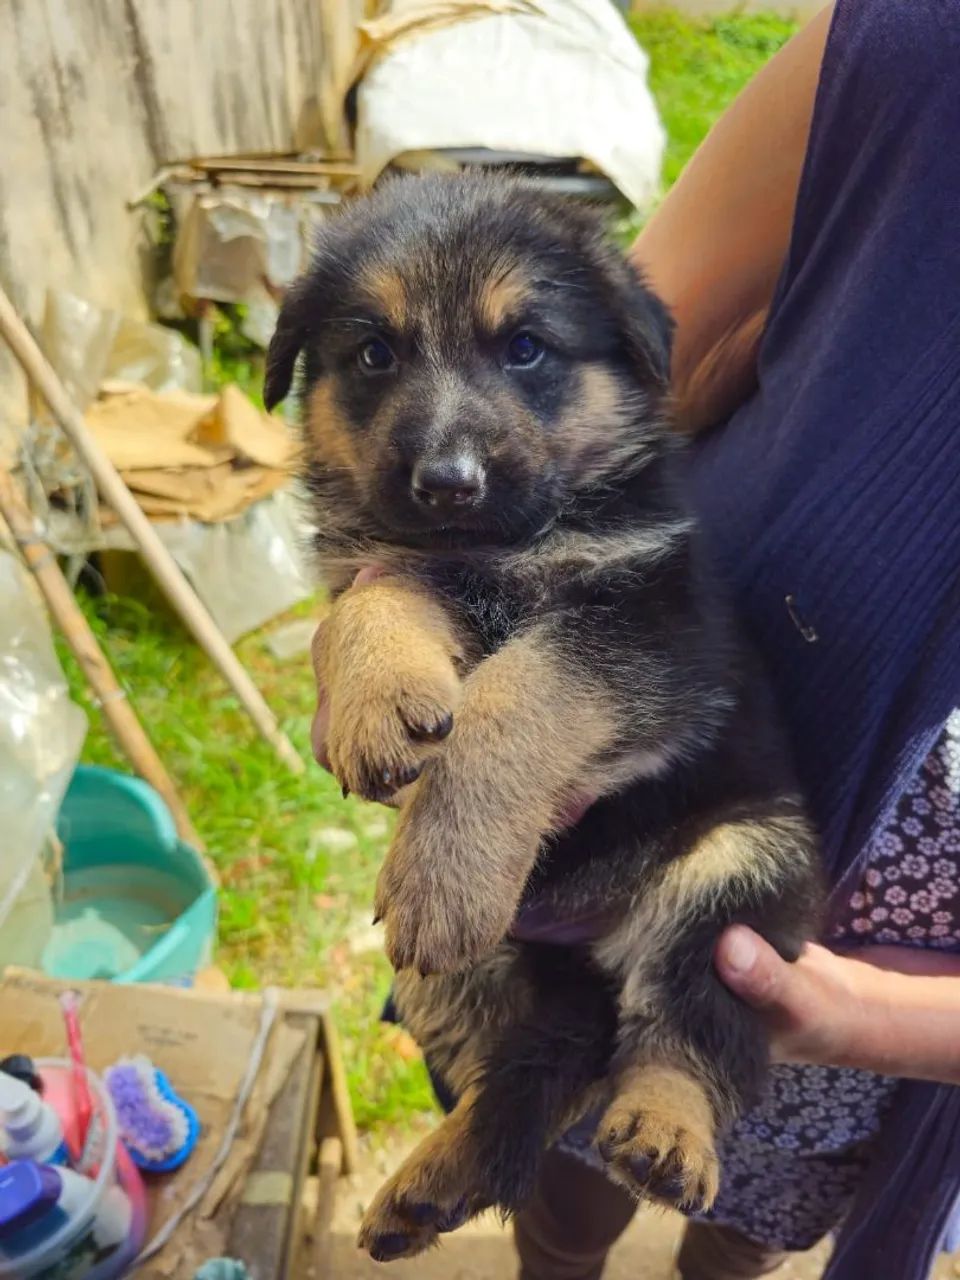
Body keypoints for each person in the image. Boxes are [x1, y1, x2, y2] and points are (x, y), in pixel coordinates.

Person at [312, 3, 960, 1275]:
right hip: (565, 868)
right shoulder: (920, 42)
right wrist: (379, 627)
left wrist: (872, 1019)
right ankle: (515, 1152)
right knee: (560, 1176)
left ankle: (655, 1103)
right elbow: (625, 333)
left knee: (719, 1198)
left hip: (848, 1001)